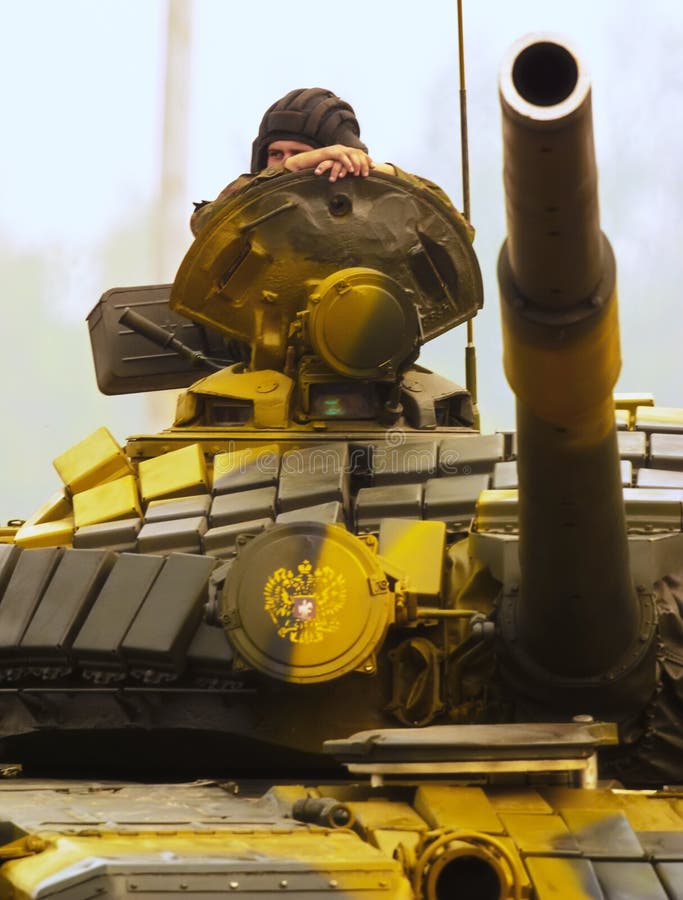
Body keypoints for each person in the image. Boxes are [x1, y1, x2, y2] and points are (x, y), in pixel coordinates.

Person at [190, 88, 470, 237]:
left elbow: (458, 232)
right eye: (277, 154)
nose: (287, 162)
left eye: (300, 153)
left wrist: (375, 173)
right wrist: (292, 170)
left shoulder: (370, 210)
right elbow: (204, 225)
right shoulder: (252, 211)